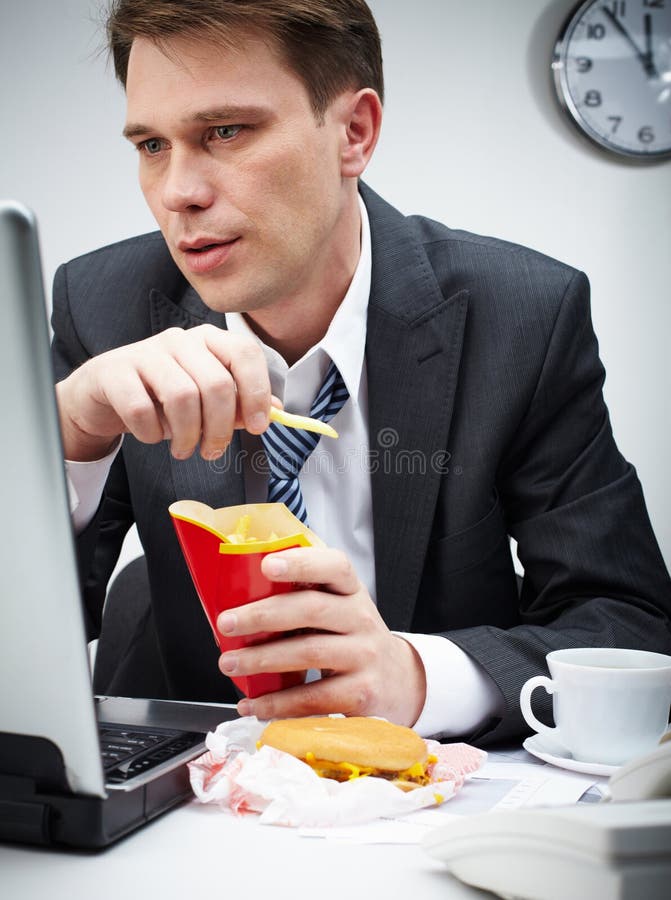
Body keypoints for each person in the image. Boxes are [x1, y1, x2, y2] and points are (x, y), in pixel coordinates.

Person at [53, 0, 671, 745]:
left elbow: (630, 626)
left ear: (354, 132)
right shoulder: (103, 306)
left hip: (437, 781)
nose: (178, 191)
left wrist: (417, 677)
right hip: (201, 783)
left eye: (226, 131)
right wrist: (68, 438)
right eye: (152, 144)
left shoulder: (523, 315)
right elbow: (30, 631)